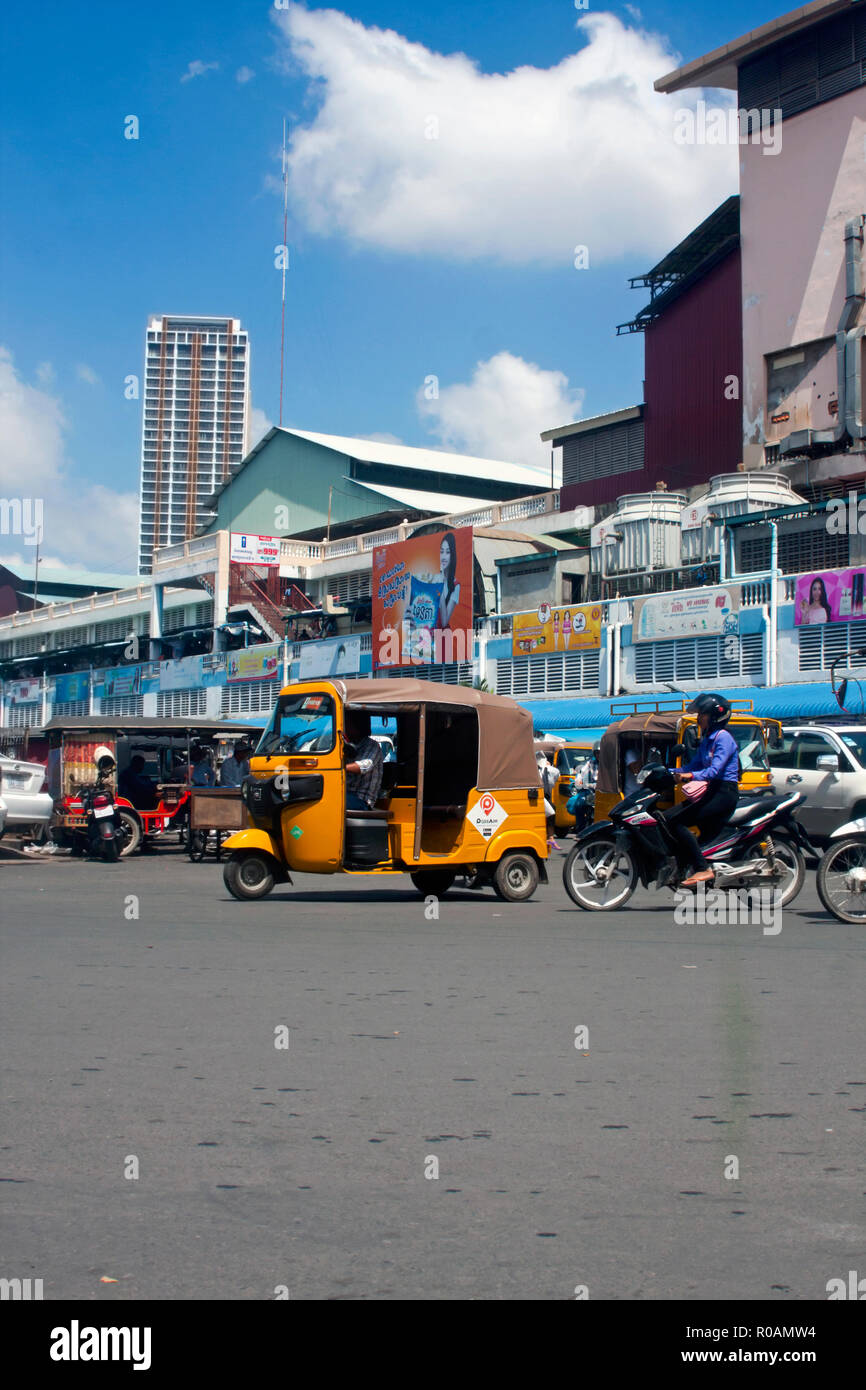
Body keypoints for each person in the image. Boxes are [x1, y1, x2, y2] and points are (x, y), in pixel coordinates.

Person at [662, 693, 739, 888]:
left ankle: (702, 868)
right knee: (667, 817)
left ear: (715, 716)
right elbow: (693, 765)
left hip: (724, 793)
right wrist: (666, 772)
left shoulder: (724, 739)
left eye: (702, 714)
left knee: (676, 821)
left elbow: (714, 770)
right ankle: (683, 868)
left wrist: (688, 776)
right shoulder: (707, 739)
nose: (698, 718)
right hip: (711, 792)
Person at [344, 710, 384, 810]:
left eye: (347, 724)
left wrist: (341, 767)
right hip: (346, 794)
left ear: (357, 726)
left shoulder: (372, 745)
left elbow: (365, 765)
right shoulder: (348, 745)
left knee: (331, 802)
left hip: (362, 800)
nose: (344, 728)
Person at [535, 748, 561, 850]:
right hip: (538, 795)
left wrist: (547, 766)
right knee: (551, 811)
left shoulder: (549, 771)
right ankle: (550, 837)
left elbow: (556, 774)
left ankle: (550, 837)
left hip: (544, 796)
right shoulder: (544, 771)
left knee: (552, 810)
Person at [437, 533, 461, 630]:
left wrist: (440, 585)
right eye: (441, 552)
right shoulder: (432, 579)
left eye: (447, 552)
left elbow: (444, 621)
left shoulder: (455, 585)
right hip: (428, 636)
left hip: (443, 638)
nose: (443, 556)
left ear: (452, 555)